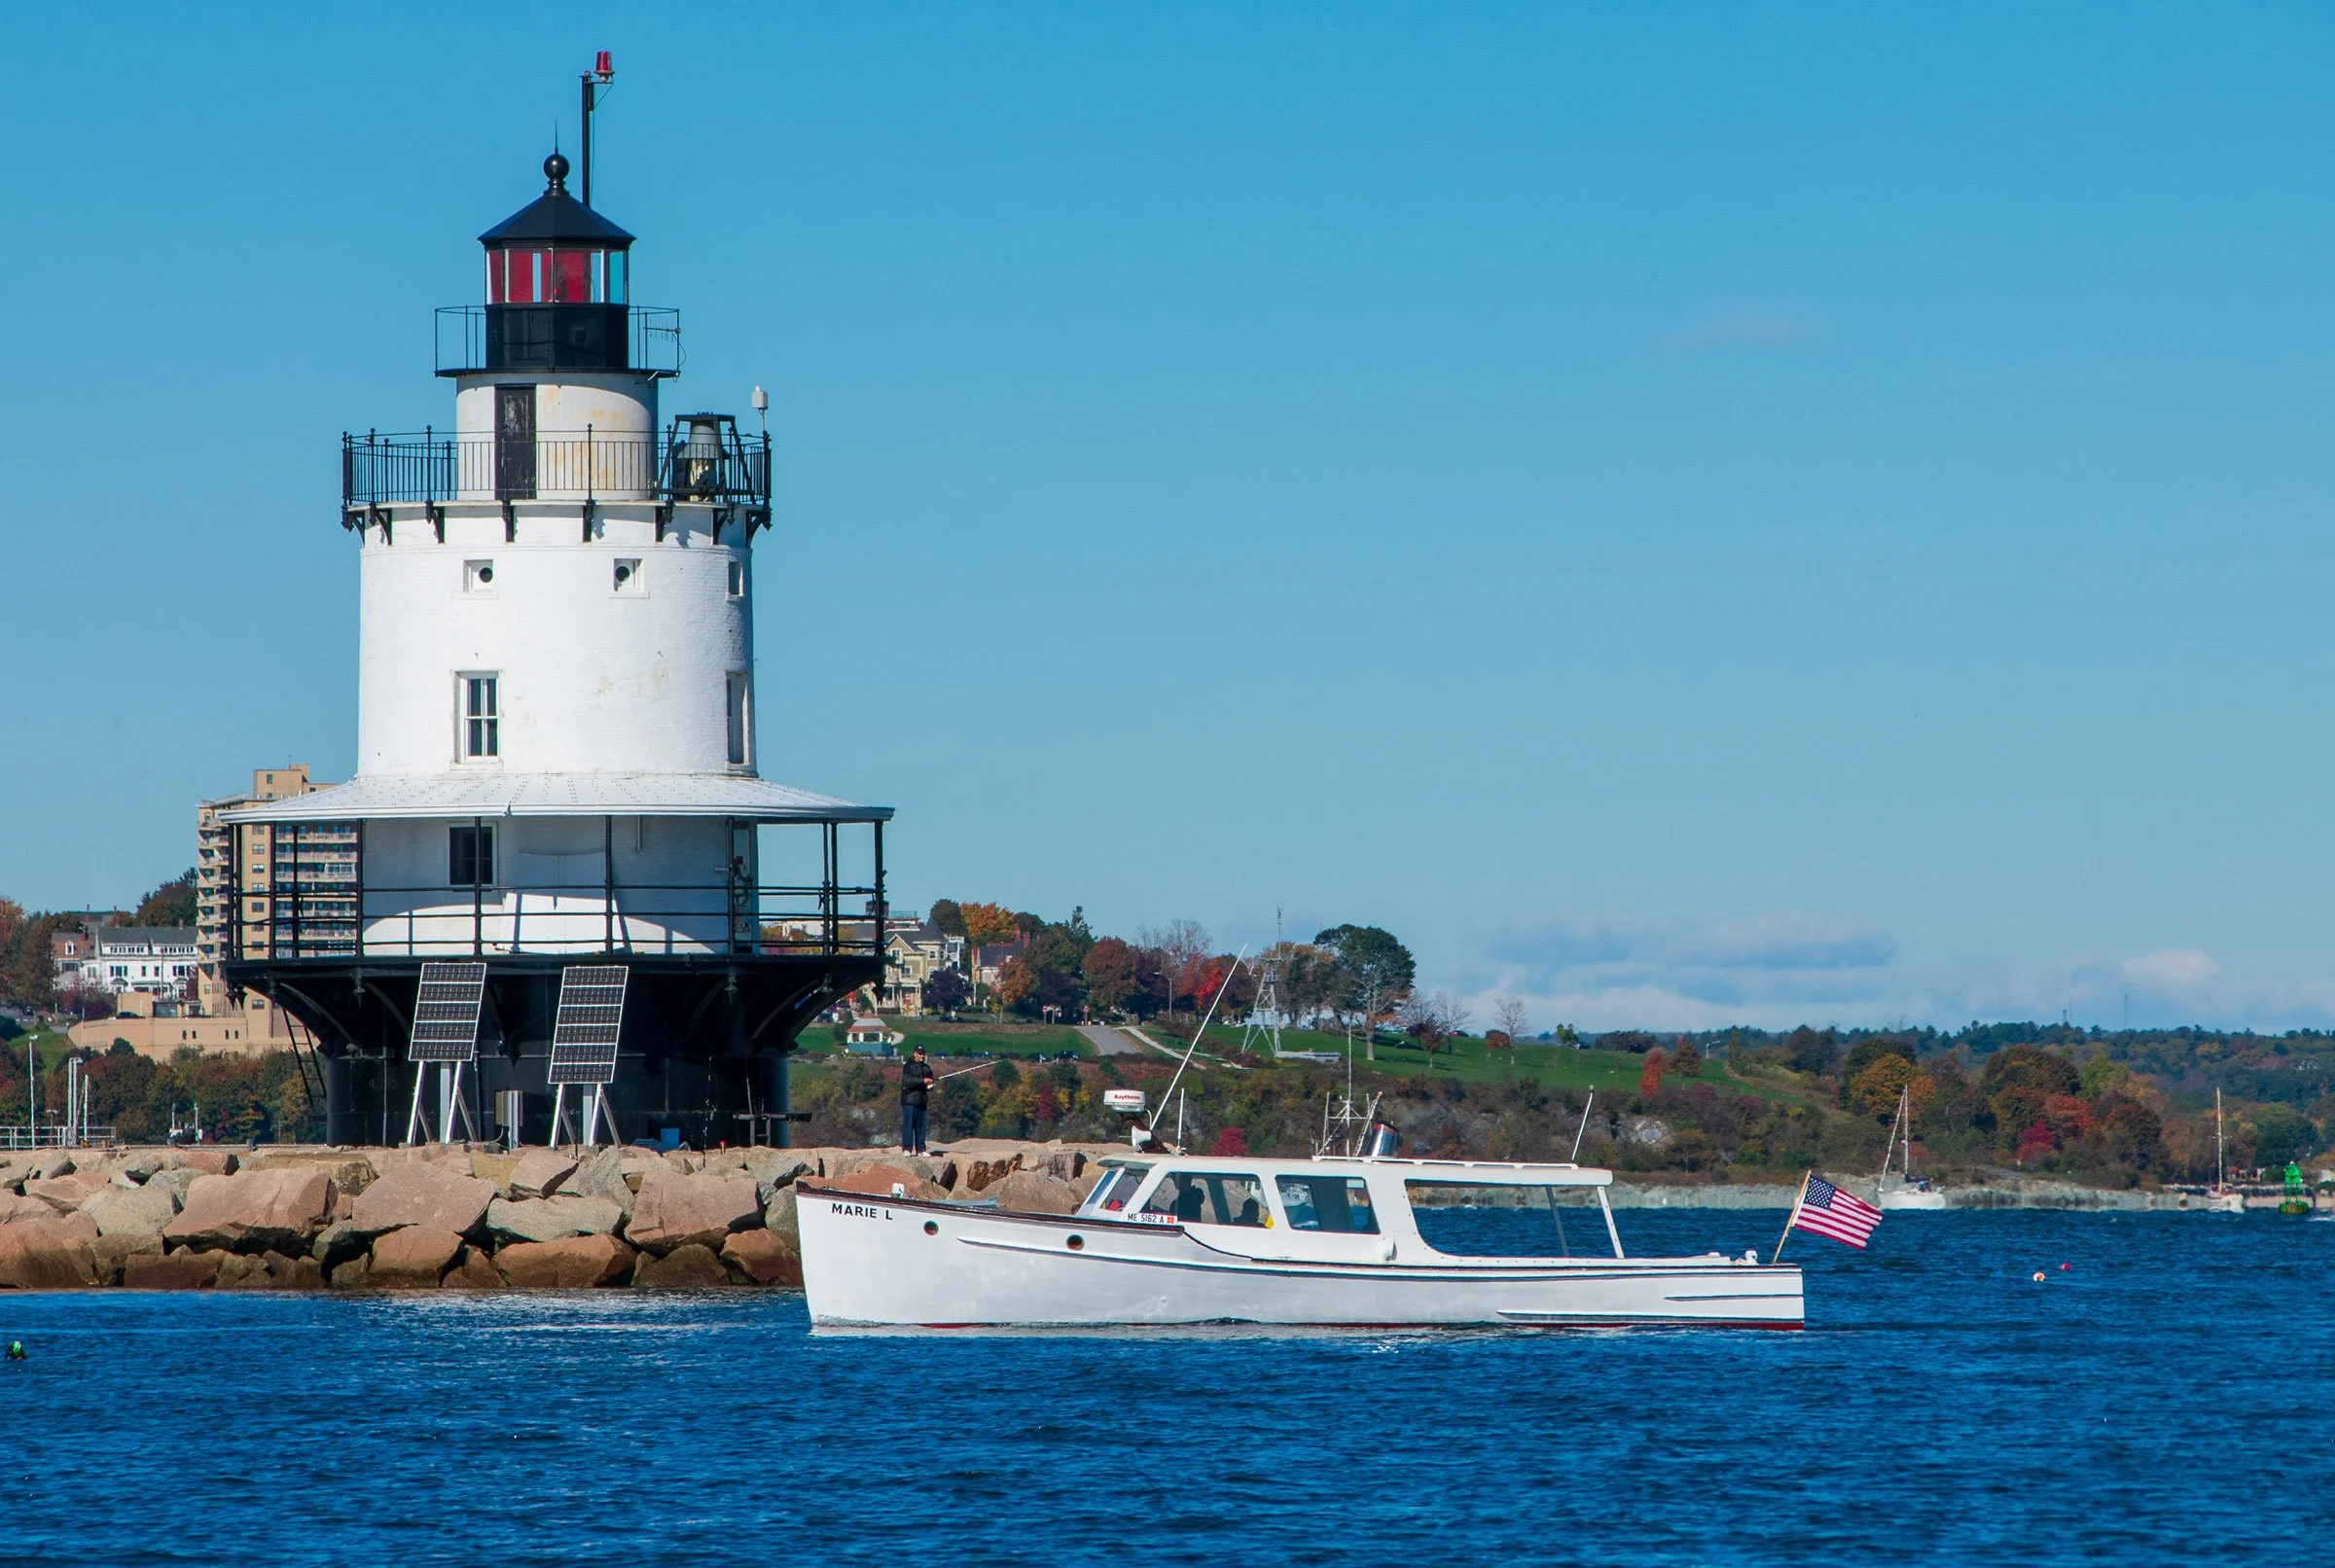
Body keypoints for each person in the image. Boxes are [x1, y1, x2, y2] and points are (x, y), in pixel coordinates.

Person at [899, 1045, 935, 1155]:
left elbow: (929, 1084)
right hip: (909, 1100)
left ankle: (921, 1149)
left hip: (922, 1101)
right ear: (914, 1054)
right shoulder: (908, 1066)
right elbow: (907, 1081)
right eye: (920, 1054)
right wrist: (923, 1081)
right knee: (908, 1127)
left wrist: (930, 1085)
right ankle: (907, 1149)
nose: (922, 1056)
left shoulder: (927, 1068)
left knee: (921, 1127)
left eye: (923, 1053)